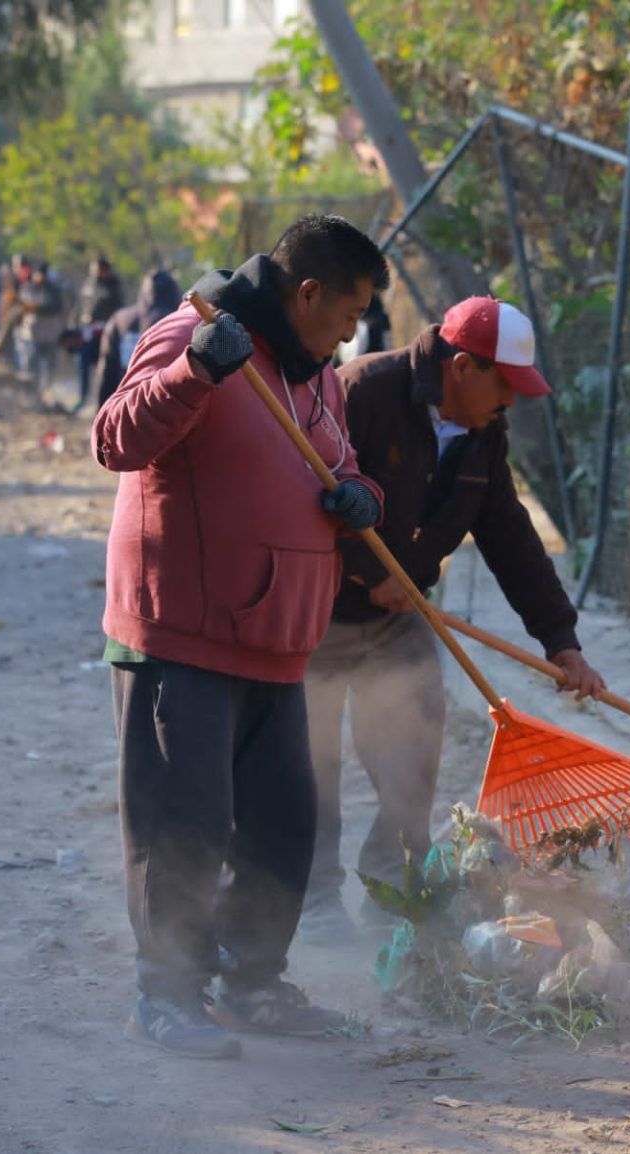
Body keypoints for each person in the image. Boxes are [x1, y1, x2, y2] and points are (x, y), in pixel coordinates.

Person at [92, 214, 390, 1060]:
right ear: (308, 294)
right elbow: (114, 439)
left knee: (283, 824)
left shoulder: (316, 375)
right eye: (347, 315)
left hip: (278, 642)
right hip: (181, 635)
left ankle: (251, 982)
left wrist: (362, 496)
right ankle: (166, 995)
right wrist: (192, 373)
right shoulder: (193, 333)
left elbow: (340, 460)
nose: (350, 336)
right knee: (183, 823)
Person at [301, 296, 607, 940]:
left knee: (412, 752)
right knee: (311, 757)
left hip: (399, 618)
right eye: (506, 385)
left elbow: (510, 535)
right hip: (318, 612)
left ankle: (390, 892)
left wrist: (561, 641)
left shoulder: (483, 433)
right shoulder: (363, 392)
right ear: (462, 368)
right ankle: (315, 900)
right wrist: (366, 569)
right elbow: (303, 492)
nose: (511, 403)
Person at [94, 267, 181, 410]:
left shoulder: (120, 319)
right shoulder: (177, 322)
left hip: (123, 405)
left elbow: (106, 371)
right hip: (162, 407)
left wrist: (101, 412)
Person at [73, 254, 125, 411]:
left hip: (105, 334)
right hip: (88, 332)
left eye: (97, 269)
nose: (94, 272)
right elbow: (80, 304)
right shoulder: (89, 284)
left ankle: (105, 401)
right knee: (83, 365)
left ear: (105, 270)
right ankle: (83, 397)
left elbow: (119, 309)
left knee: (104, 368)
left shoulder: (114, 286)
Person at [13, 261, 64, 391]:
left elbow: (55, 307)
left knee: (50, 362)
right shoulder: (27, 288)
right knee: (32, 362)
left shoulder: (53, 290)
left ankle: (48, 388)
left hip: (50, 333)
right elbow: (20, 306)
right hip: (31, 333)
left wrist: (37, 307)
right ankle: (33, 390)